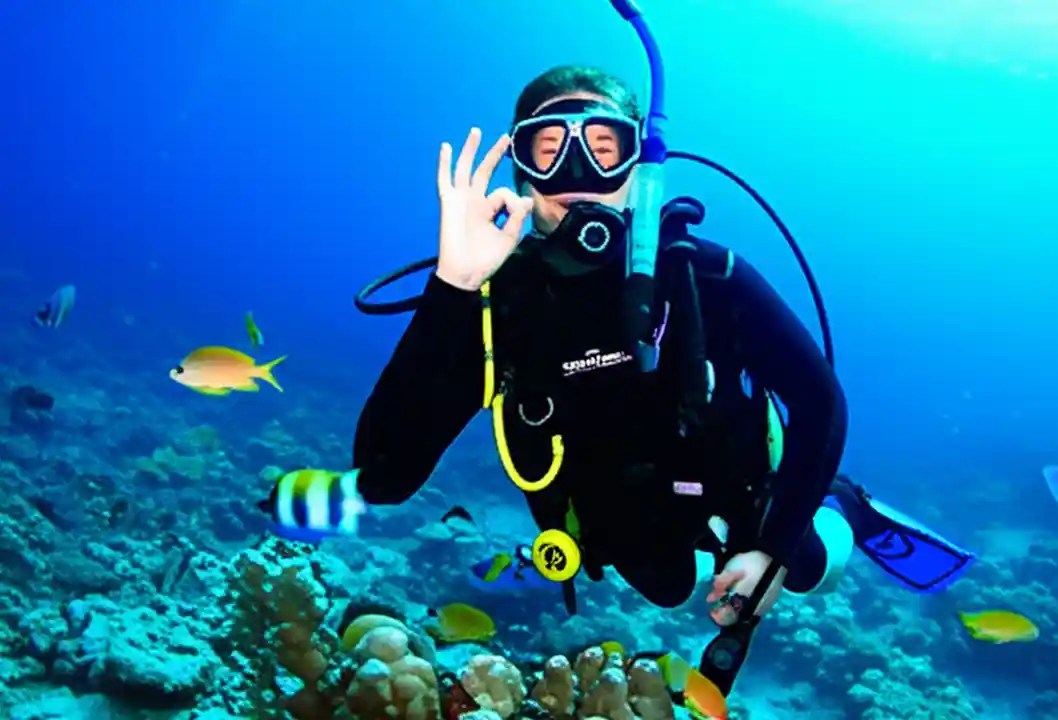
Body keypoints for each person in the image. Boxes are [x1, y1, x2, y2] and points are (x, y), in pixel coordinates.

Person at [267, 65, 975, 696]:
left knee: (814, 564)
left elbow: (820, 399)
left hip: (740, 483)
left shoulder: (707, 277)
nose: (578, 174)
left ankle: (840, 505)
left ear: (640, 167)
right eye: (551, 149)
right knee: (670, 590)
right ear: (521, 169)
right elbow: (386, 476)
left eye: (604, 149)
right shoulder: (493, 300)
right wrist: (453, 285)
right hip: (614, 514)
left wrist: (774, 546)